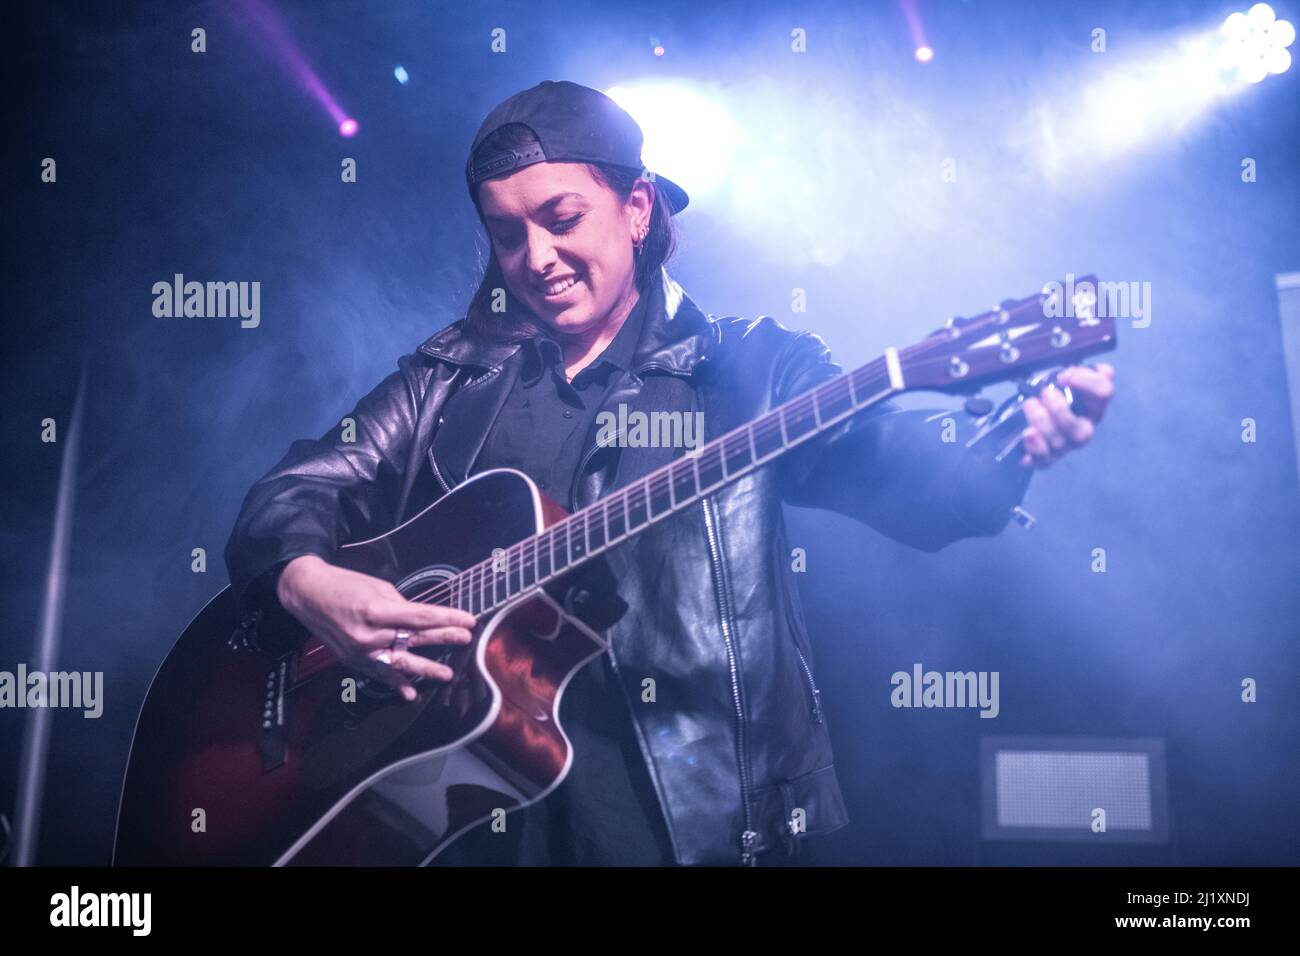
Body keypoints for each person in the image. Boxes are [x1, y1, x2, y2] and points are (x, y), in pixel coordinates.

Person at [223, 79, 1116, 867]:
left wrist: (1009, 452)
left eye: (561, 219)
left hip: (682, 824)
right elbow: (295, 489)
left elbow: (909, 482)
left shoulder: (756, 371)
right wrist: (305, 583)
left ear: (639, 207)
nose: (535, 257)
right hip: (466, 825)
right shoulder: (452, 379)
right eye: (507, 234)